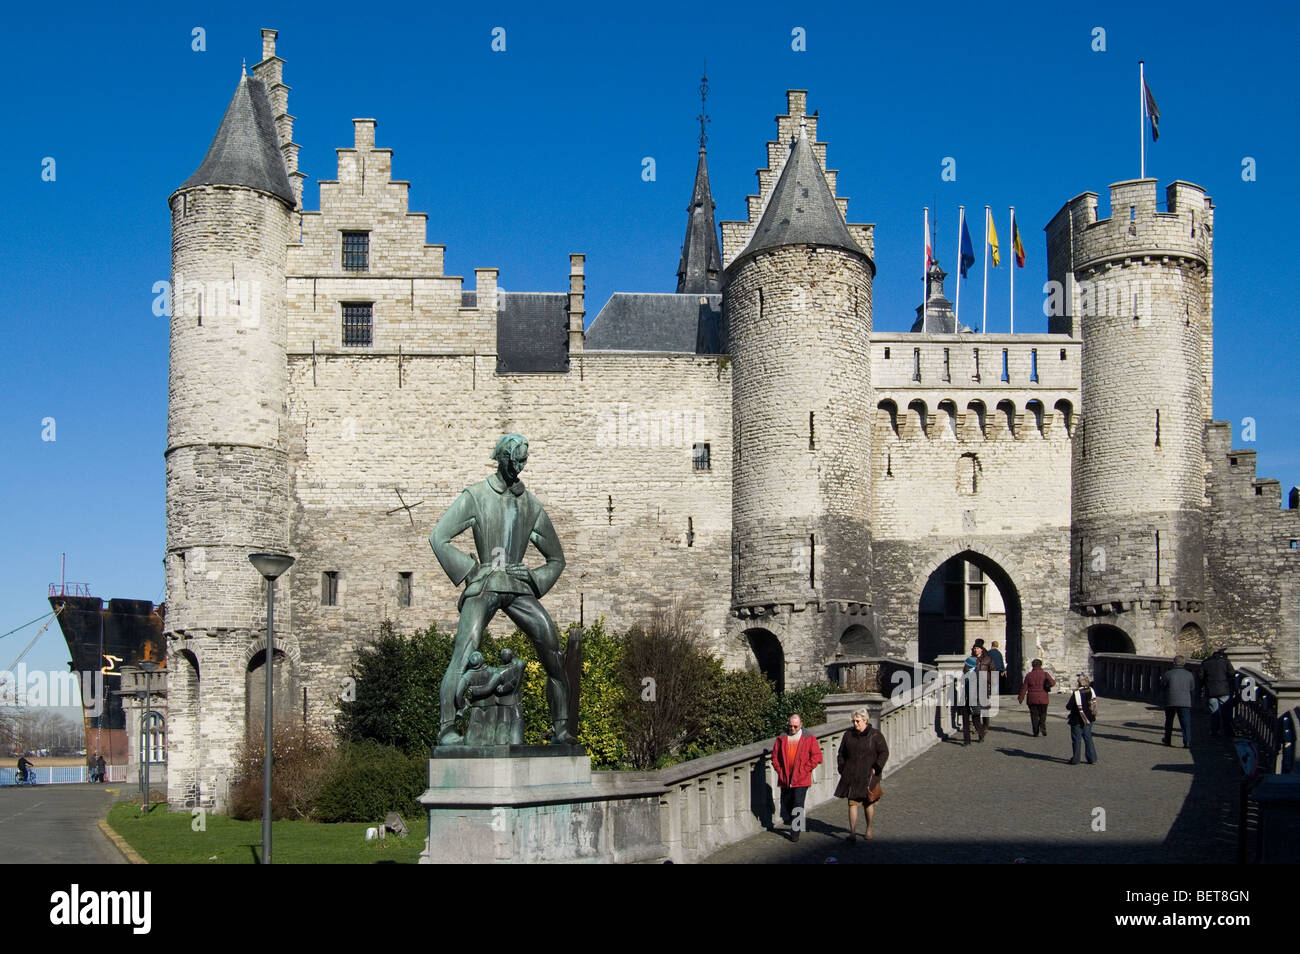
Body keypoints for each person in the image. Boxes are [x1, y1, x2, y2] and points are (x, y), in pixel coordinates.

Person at [431, 434, 572, 745]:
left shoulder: (531, 505)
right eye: (514, 461)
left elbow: (557, 558)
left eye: (523, 461)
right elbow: (439, 537)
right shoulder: (477, 496)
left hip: (519, 586)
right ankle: (447, 728)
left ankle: (561, 728)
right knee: (465, 647)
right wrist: (471, 571)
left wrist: (534, 577)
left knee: (551, 646)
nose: (519, 468)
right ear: (501, 458)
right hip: (487, 583)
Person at [833, 709, 889, 843]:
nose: (855, 724)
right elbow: (841, 753)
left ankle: (869, 828)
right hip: (851, 774)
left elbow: (884, 752)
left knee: (868, 803)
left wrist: (876, 767)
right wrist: (842, 767)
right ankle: (852, 832)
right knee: (852, 803)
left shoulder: (875, 735)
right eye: (853, 721)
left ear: (865, 720)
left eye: (857, 721)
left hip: (869, 775)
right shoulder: (848, 735)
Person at [771, 713, 823, 841]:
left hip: (801, 778)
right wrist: (779, 770)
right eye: (790, 726)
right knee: (787, 802)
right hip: (785, 778)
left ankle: (796, 832)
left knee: (798, 803)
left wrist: (804, 769)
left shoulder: (808, 738)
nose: (792, 729)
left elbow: (817, 756)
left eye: (795, 726)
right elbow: (775, 757)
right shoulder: (782, 738)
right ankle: (796, 822)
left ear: (801, 725)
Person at [1200, 648, 1237, 738]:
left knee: (1214, 712)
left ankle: (1214, 731)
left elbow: (1201, 676)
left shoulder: (1205, 663)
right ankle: (1227, 731)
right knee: (1226, 712)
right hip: (1224, 690)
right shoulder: (1225, 662)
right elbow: (1232, 674)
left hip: (1211, 691)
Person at [1161, 655, 1196, 748]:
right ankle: (1187, 741)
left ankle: (1167, 740)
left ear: (1174, 663)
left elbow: (1163, 686)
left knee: (1169, 721)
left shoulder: (1168, 674)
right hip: (1185, 701)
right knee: (1186, 723)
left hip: (1170, 700)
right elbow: (1192, 688)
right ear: (1184, 663)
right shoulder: (1189, 674)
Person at [1017, 658, 1056, 737]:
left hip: (1032, 698)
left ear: (1032, 666)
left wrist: (1020, 698)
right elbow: (1053, 683)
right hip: (1043, 697)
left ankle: (1035, 731)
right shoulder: (1045, 674)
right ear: (1040, 665)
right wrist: (1047, 685)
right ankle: (1043, 727)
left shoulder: (1029, 675)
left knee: (1034, 715)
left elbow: (1024, 687)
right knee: (1043, 714)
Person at [1065, 674, 1098, 765]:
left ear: (1079, 683)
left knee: (1076, 739)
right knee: (1088, 738)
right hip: (1089, 717)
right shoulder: (1091, 690)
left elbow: (1069, 706)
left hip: (1077, 718)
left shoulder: (1076, 693)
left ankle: (1076, 759)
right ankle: (1092, 758)